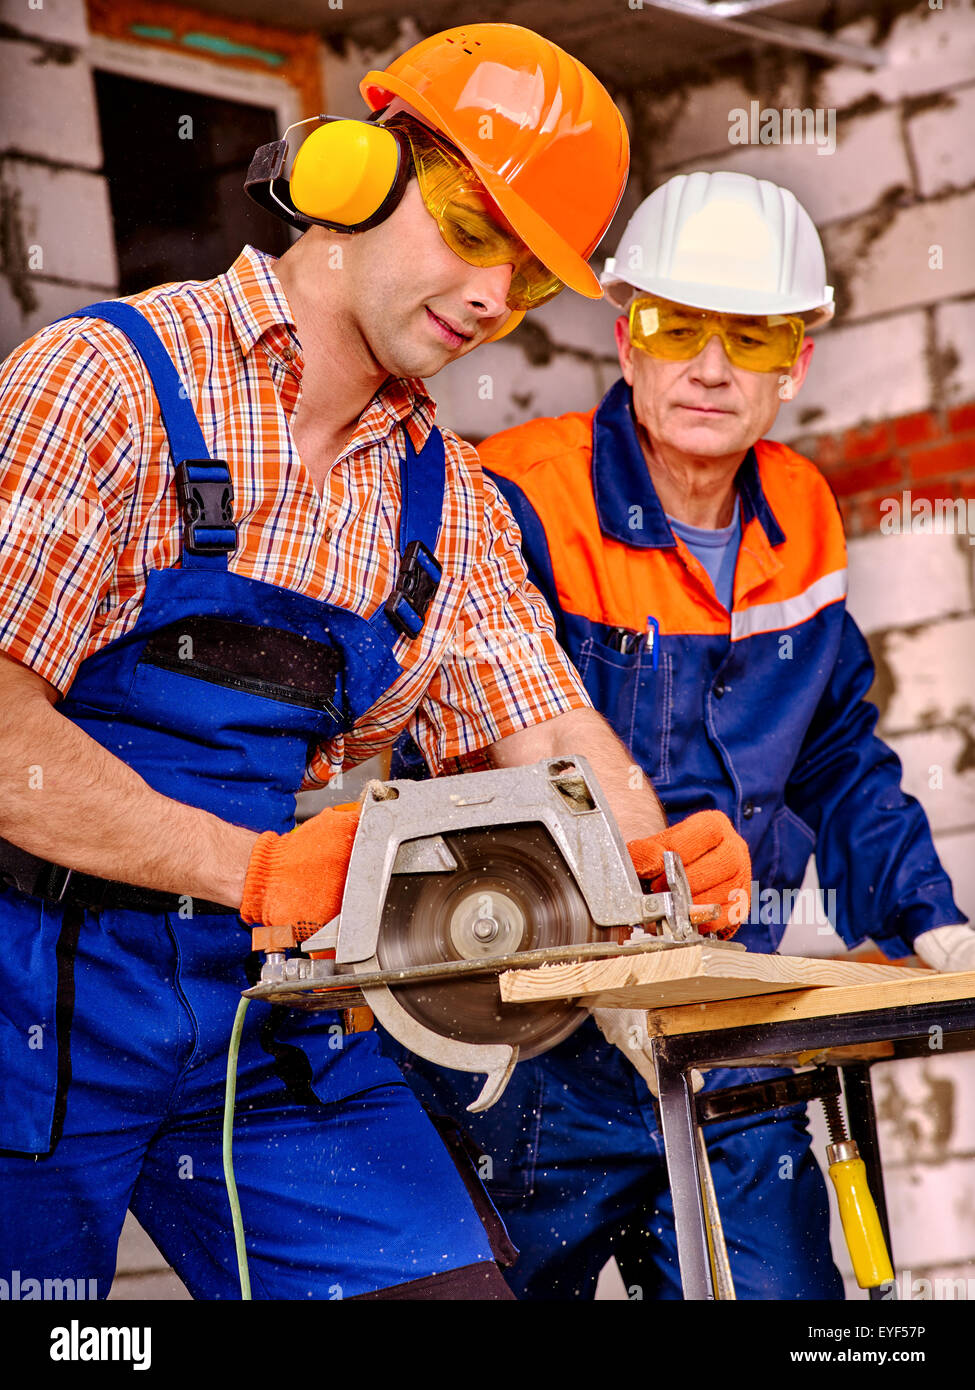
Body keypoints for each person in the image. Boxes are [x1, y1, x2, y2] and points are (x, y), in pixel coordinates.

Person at [0, 23, 747, 1303]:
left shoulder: (446, 505)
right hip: (26, 990)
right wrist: (253, 868)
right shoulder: (105, 383)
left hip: (263, 1016)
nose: (488, 301)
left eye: (526, 278)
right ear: (356, 173)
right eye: (470, 234)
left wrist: (642, 861)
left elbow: (543, 726)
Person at [389, 170, 971, 1300]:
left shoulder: (802, 516)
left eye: (751, 338)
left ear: (797, 362)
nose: (711, 369)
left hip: (734, 1037)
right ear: (626, 340)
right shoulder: (518, 494)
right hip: (532, 1055)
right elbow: (460, 751)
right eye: (676, 327)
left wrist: (928, 924)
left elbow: (836, 751)